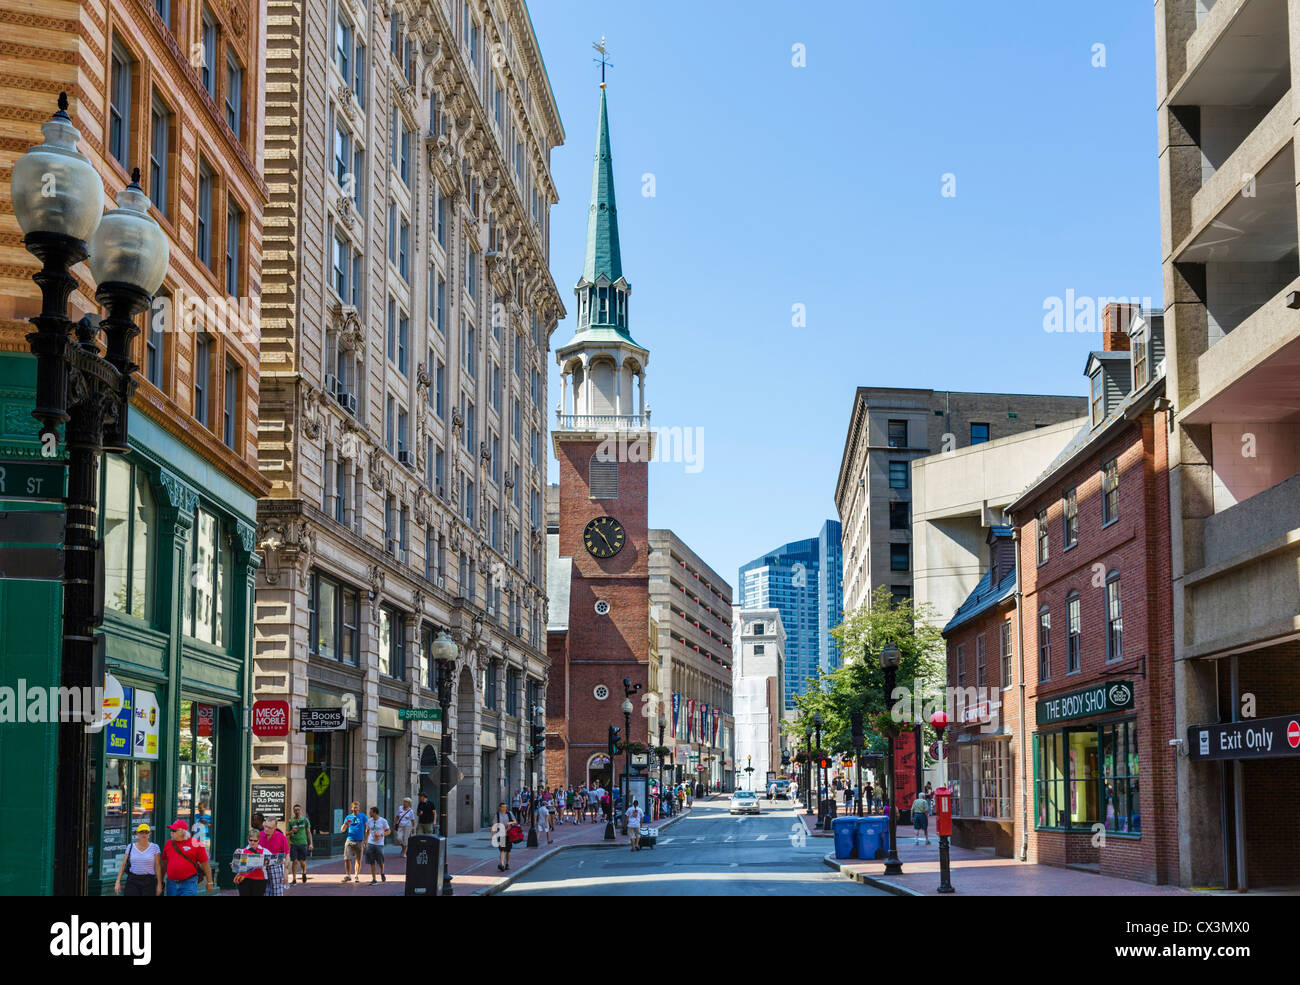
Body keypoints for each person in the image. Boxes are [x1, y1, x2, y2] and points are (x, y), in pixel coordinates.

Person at [162, 820, 213, 896]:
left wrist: (210, 882)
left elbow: (205, 864)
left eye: (174, 830)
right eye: (171, 830)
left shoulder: (196, 843)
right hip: (171, 883)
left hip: (189, 883)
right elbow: (164, 864)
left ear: (183, 832)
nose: (171, 832)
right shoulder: (168, 844)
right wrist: (160, 881)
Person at [114, 823, 162, 897]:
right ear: (137, 834)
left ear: (149, 834)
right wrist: (118, 881)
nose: (144, 834)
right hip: (133, 880)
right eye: (141, 832)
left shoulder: (155, 847)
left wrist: (159, 884)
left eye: (146, 832)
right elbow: (123, 865)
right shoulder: (130, 847)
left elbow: (158, 866)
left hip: (148, 880)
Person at [233, 828, 272, 896]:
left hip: (260, 880)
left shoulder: (265, 852)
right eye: (250, 840)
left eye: (255, 840)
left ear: (258, 840)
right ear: (248, 839)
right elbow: (235, 866)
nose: (252, 842)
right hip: (244, 879)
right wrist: (235, 862)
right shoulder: (242, 851)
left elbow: (273, 862)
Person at [259, 816, 289, 896]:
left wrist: (286, 873)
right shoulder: (259, 835)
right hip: (261, 866)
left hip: (275, 867)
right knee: (263, 891)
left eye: (269, 827)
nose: (266, 829)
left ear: (275, 827)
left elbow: (287, 855)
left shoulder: (281, 837)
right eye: (265, 826)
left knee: (276, 892)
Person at [340, 801, 366, 883]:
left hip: (359, 841)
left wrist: (365, 841)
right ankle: (348, 875)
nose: (356, 809)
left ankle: (356, 875)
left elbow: (367, 828)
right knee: (347, 858)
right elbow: (342, 830)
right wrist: (346, 824)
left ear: (359, 808)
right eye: (354, 807)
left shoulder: (362, 816)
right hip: (349, 840)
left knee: (358, 860)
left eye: (357, 807)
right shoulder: (348, 817)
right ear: (351, 808)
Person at [286, 804, 313, 885]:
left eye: (298, 810)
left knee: (302, 862)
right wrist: (292, 831)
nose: (297, 811)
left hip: (303, 843)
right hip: (293, 843)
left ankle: (304, 872)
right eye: (295, 810)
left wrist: (311, 843)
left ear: (300, 810)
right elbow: (286, 833)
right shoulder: (291, 821)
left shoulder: (305, 820)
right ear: (293, 811)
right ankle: (294, 879)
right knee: (294, 861)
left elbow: (308, 832)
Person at [364, 806, 390, 885]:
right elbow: (367, 831)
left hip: (379, 844)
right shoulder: (369, 821)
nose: (369, 813)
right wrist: (365, 841)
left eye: (370, 812)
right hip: (370, 843)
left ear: (375, 813)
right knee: (371, 861)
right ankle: (374, 879)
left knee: (380, 861)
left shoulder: (383, 821)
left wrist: (381, 835)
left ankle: (382, 872)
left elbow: (388, 831)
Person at [490, 802, 517, 871]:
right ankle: (502, 864)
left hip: (509, 834)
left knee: (508, 851)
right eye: (503, 807)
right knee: (502, 849)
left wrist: (510, 823)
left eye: (505, 807)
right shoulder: (497, 815)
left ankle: (507, 863)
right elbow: (494, 826)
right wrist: (492, 835)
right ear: (500, 808)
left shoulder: (509, 813)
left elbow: (515, 822)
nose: (505, 808)